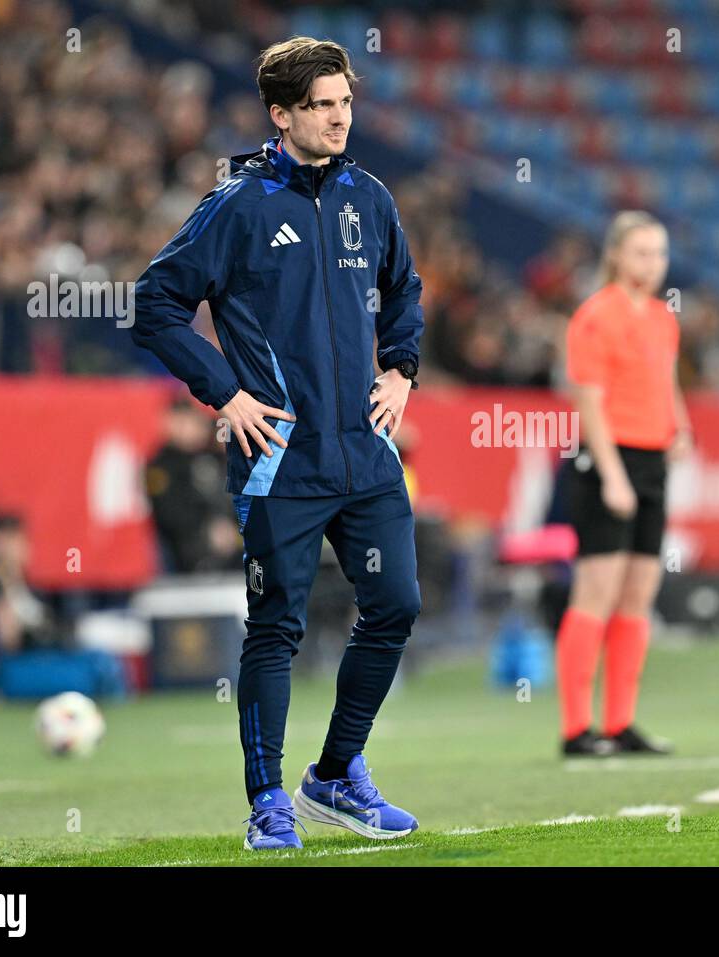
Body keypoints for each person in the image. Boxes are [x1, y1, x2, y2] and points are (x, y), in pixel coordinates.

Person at [131, 37, 424, 848]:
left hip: (365, 452)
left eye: (346, 103)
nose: (340, 118)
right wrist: (224, 391)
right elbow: (154, 303)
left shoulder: (370, 195)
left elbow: (404, 287)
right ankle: (268, 801)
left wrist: (401, 368)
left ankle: (335, 775)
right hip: (279, 459)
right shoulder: (238, 205)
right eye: (322, 105)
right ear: (282, 113)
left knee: (395, 602)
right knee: (277, 627)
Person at [555, 210, 691, 758]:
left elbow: (667, 380)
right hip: (609, 461)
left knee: (638, 594)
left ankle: (620, 722)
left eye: (659, 253)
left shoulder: (663, 318)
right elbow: (589, 403)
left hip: (653, 461)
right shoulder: (594, 317)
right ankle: (574, 728)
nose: (653, 264)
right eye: (641, 252)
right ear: (615, 256)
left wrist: (680, 425)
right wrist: (613, 475)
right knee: (597, 592)